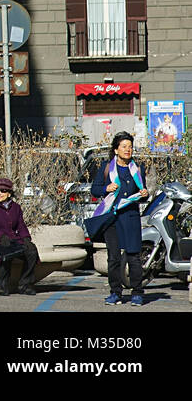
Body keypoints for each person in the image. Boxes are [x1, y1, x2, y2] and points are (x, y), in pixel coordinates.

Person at [90, 131, 148, 306]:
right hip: (112, 218)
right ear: (116, 150)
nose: (127, 150)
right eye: (124, 146)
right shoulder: (107, 167)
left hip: (130, 216)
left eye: (130, 147)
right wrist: (106, 188)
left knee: (133, 256)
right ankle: (115, 292)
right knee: (113, 257)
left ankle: (137, 292)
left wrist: (144, 194)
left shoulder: (137, 169)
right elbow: (95, 189)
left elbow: (142, 193)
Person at [0, 177, 39, 296]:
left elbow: (21, 225)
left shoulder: (16, 207)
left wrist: (26, 238)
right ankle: (3, 286)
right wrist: (2, 237)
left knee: (32, 251)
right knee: (5, 253)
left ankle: (25, 284)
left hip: (14, 239)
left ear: (9, 193)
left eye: (2, 191)